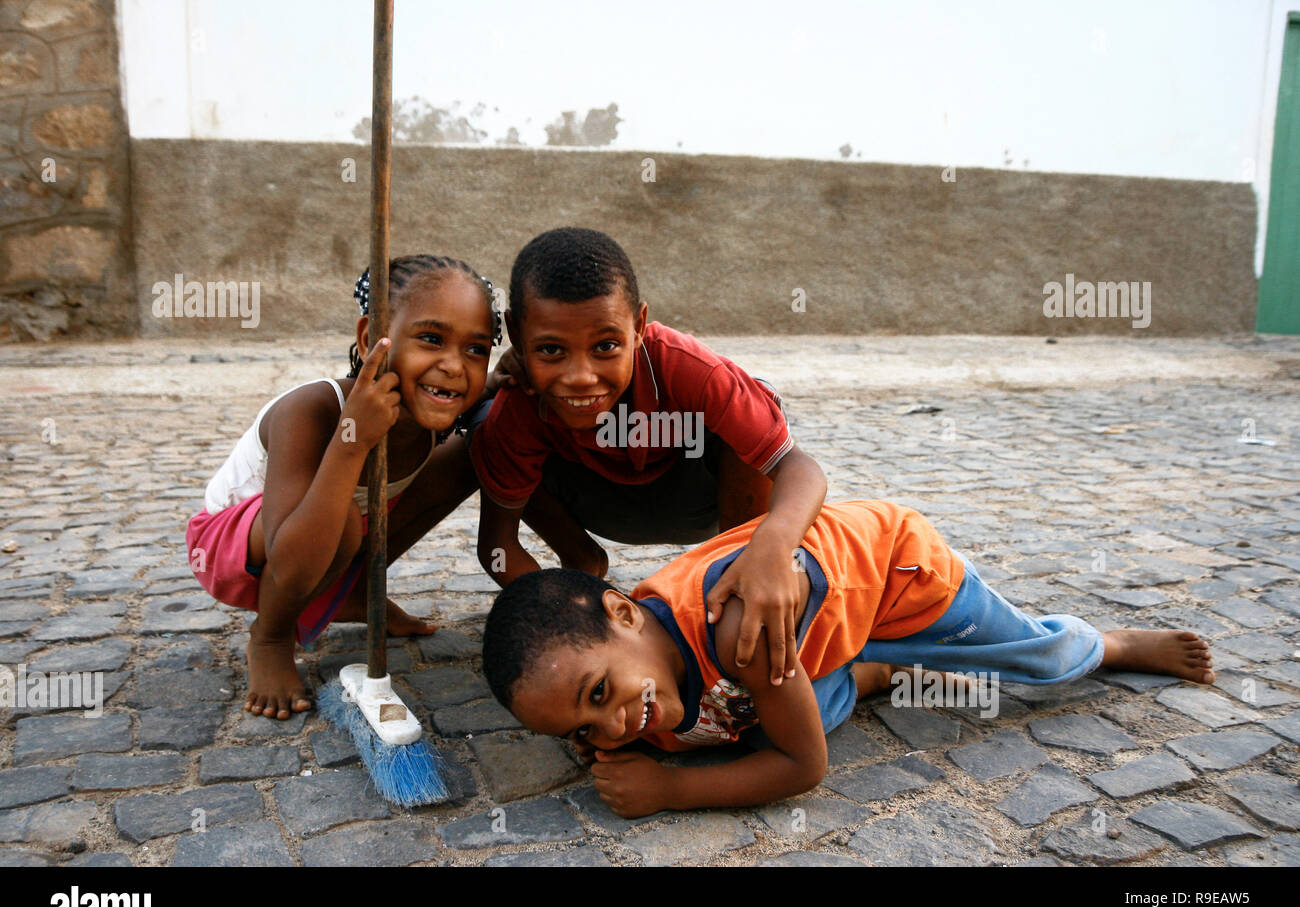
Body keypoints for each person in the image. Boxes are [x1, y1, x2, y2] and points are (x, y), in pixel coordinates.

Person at [482, 499, 1216, 817]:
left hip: (896, 578)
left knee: (1025, 660)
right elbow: (633, 715)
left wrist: (671, 792)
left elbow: (804, 771)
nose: (615, 725)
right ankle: (867, 671)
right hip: (810, 647)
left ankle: (1106, 644)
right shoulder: (638, 661)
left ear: (623, 612)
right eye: (583, 729)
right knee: (759, 717)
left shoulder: (737, 632)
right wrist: (610, 744)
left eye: (600, 692)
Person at [472, 227, 828, 684]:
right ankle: (583, 563)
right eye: (551, 350)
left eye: (605, 346)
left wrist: (773, 545)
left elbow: (799, 467)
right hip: (595, 503)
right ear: (518, 340)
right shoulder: (518, 407)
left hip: (699, 502)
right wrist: (565, 620)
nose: (581, 377)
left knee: (757, 405)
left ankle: (739, 566)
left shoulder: (686, 368)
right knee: (485, 429)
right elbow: (498, 546)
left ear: (639, 327)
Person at [186, 255, 499, 719]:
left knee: (475, 453)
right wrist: (352, 441)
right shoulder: (313, 410)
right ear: (371, 338)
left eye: (476, 349)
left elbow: (486, 386)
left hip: (332, 539)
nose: (455, 366)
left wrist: (503, 381)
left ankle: (351, 592)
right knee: (347, 523)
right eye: (431, 339)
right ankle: (271, 636)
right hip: (242, 551)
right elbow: (289, 563)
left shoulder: (434, 405)